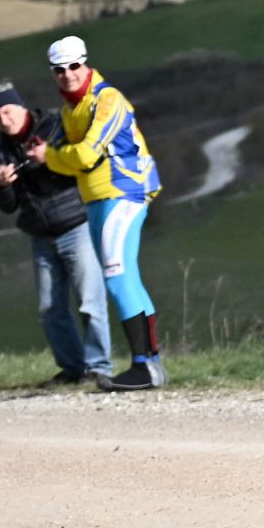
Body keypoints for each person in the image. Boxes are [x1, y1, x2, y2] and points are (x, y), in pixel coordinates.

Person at [25, 36, 167, 391]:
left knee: (117, 277)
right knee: (126, 278)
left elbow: (85, 156)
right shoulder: (72, 110)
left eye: (74, 66)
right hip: (98, 198)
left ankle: (144, 367)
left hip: (124, 192)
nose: (68, 75)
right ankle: (150, 365)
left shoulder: (107, 99)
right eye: (59, 70)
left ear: (85, 64)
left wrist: (51, 158)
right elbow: (72, 157)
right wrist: (53, 155)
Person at [0, 80, 115, 387]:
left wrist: (49, 158)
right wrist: (2, 184)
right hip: (40, 235)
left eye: (7, 111)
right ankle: (73, 370)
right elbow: (8, 206)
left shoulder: (56, 126)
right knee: (50, 309)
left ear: (21, 106)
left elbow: (83, 164)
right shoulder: (2, 153)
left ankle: (98, 367)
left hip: (77, 224)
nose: (4, 120)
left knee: (89, 301)